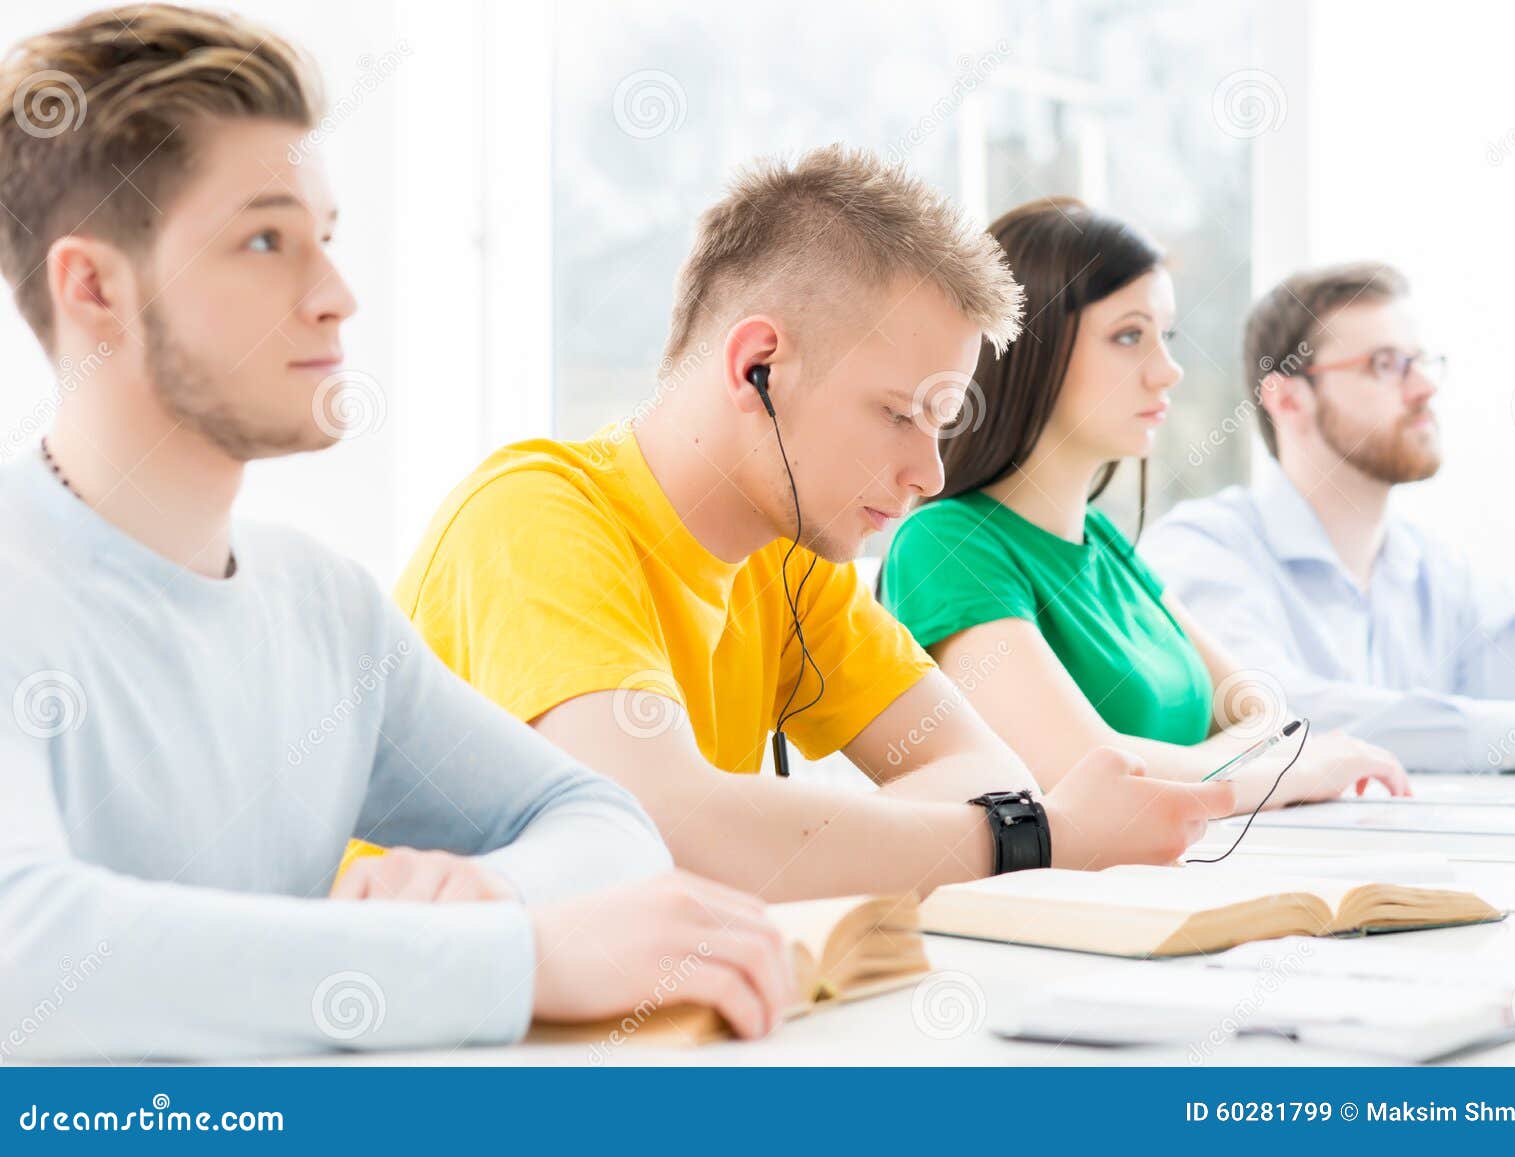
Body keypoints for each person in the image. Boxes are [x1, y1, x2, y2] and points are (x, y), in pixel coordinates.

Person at [0, 4, 790, 1061]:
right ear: (92, 286)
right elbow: (30, 955)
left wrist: (488, 893)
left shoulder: (322, 603)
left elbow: (602, 820)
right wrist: (518, 958)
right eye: (265, 239)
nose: (334, 295)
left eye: (323, 237)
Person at [396, 151, 1236, 902]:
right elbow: (655, 832)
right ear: (757, 365)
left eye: (943, 425)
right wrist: (1038, 835)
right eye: (902, 414)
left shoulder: (795, 562)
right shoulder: (531, 515)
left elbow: (989, 772)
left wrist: (773, 838)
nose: (930, 473)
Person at [880, 199, 1409, 810]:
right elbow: (1095, 775)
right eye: (1129, 336)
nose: (1169, 371)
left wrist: (1209, 769)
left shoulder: (1104, 544)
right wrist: (1282, 771)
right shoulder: (948, 545)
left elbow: (1267, 713)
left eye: (1167, 336)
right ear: (1032, 347)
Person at [1142, 261, 1515, 774]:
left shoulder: (1438, 570)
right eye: (1385, 364)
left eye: (1420, 361)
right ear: (1289, 398)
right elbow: (1279, 718)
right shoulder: (1202, 550)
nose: (1424, 386)